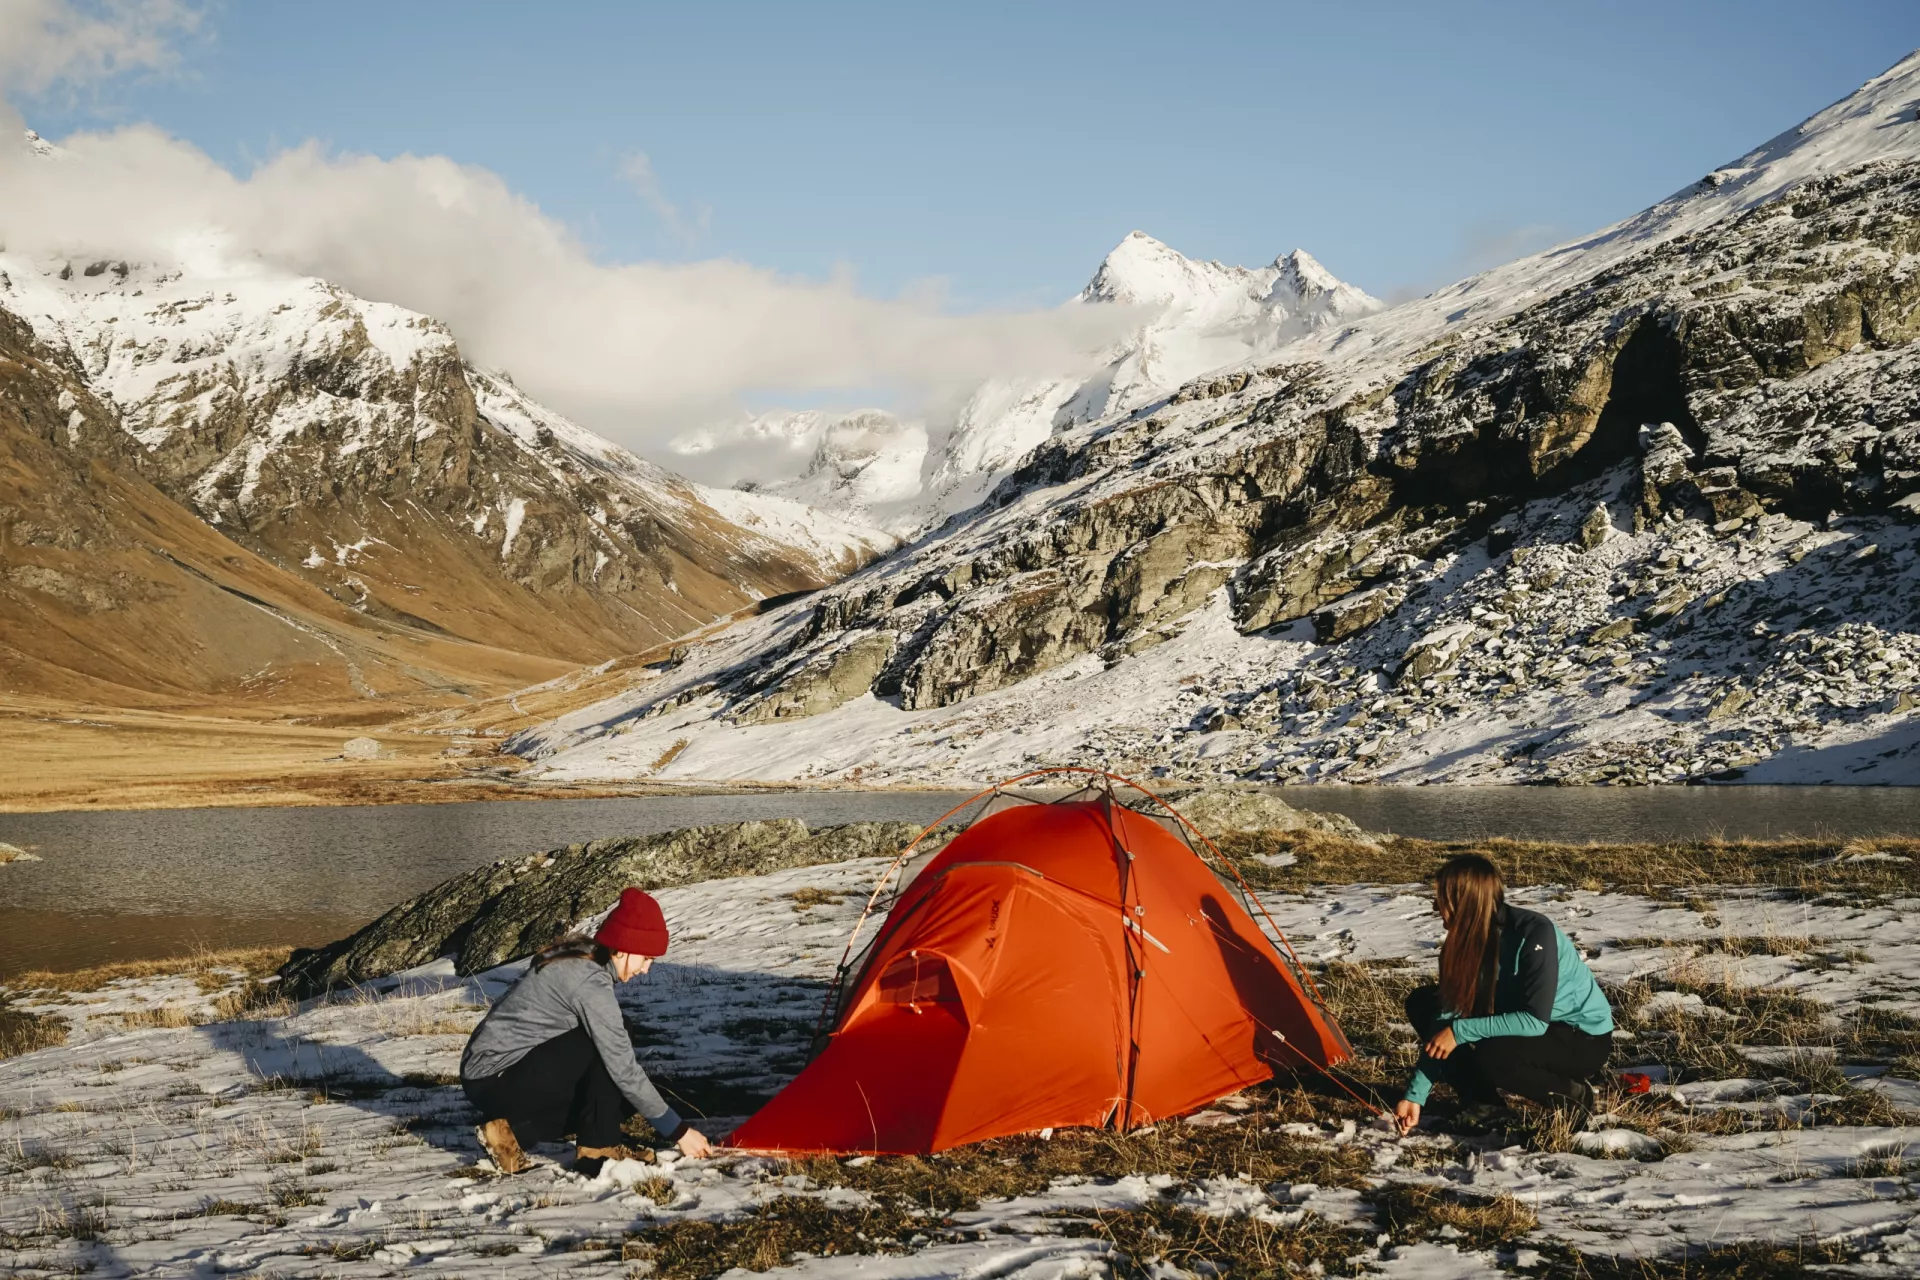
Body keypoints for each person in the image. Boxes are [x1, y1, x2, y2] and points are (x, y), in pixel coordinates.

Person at [462, 887, 714, 1176]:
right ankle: (599, 1149)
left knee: (617, 1094)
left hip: (494, 1075)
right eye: (646, 958)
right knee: (613, 1057)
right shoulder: (588, 982)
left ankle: (509, 1132)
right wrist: (680, 1132)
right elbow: (622, 1068)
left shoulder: (583, 958)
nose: (646, 969)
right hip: (496, 1076)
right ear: (625, 946)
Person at [1393, 854, 1614, 1134]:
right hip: (1516, 1018)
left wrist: (1460, 1031)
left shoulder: (1534, 934)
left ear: (1466, 901)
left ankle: (1575, 1097)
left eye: (1441, 900)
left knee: (1494, 1055)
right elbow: (1444, 1020)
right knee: (1424, 1003)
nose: (1436, 908)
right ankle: (1484, 1105)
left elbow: (1535, 1021)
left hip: (1579, 1036)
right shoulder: (1460, 942)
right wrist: (1415, 1096)